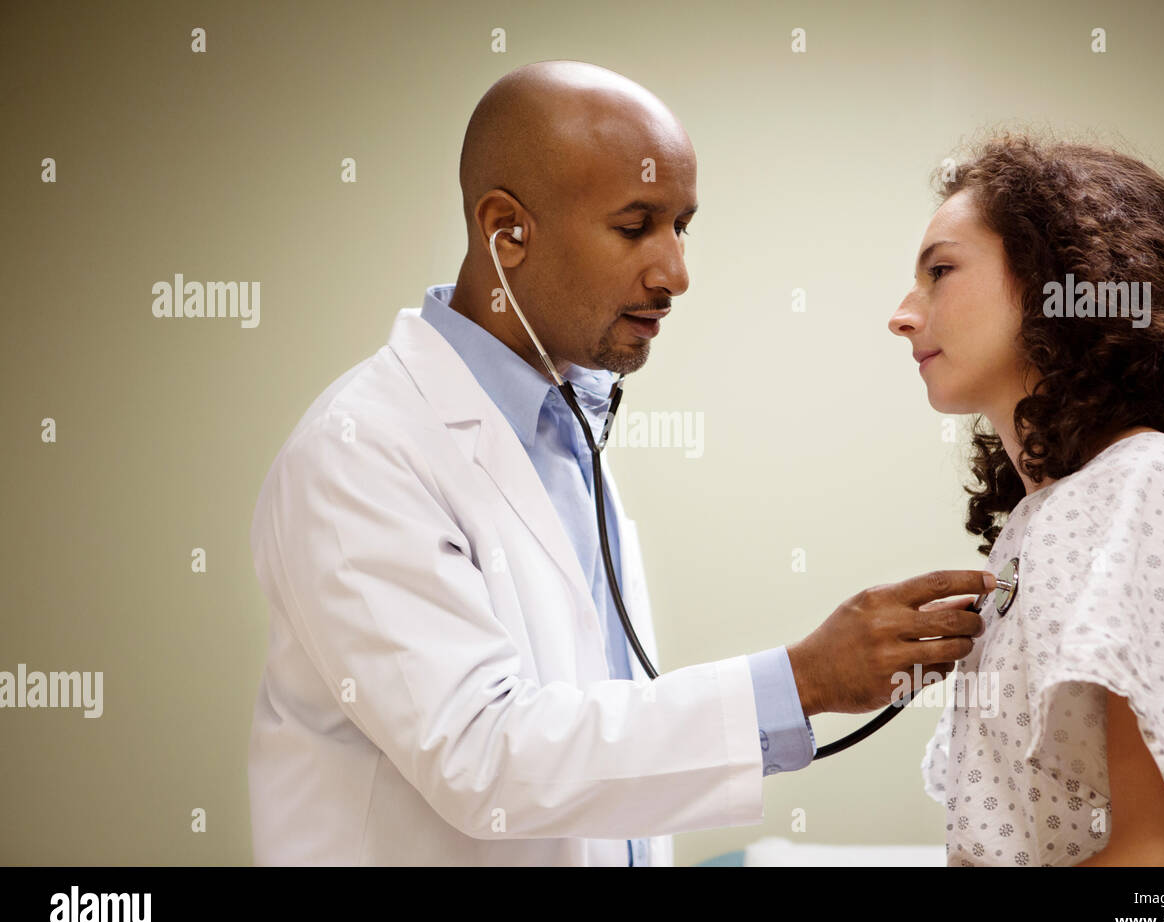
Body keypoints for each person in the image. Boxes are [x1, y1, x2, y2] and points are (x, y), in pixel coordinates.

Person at [246, 59, 993, 866]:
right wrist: (800, 681)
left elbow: (592, 739)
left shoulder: (560, 423)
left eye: (683, 227)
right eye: (636, 226)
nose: (674, 273)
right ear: (507, 232)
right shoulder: (362, 451)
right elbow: (484, 757)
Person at [890, 133, 1164, 866]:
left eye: (941, 272)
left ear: (1061, 284)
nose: (902, 315)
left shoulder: (1155, 488)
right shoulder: (1043, 519)